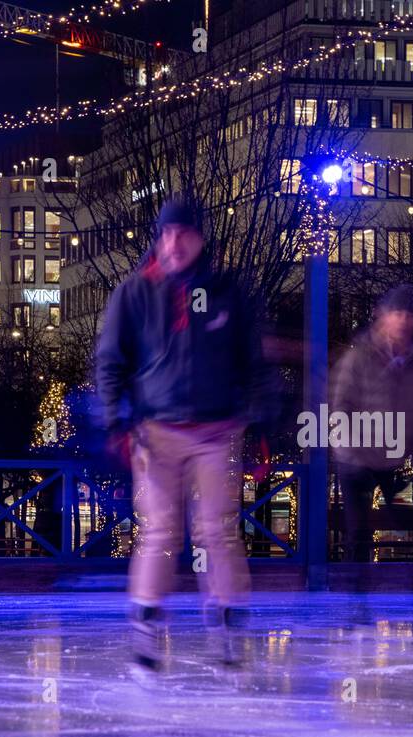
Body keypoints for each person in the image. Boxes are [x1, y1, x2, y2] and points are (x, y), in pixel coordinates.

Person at [94, 198, 273, 670]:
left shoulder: (228, 291)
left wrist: (254, 421)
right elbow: (110, 361)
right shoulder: (134, 294)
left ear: (200, 239)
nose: (173, 243)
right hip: (156, 430)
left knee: (217, 528)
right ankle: (146, 627)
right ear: (158, 238)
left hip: (217, 429)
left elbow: (252, 363)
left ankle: (227, 624)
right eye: (166, 233)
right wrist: (117, 420)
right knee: (159, 530)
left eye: (184, 234)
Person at [330, 284, 413, 568]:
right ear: (383, 316)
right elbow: (341, 403)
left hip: (392, 457)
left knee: (397, 519)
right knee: (358, 531)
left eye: (410, 314)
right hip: (357, 456)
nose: (404, 320)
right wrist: (349, 447)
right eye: (398, 313)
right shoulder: (360, 357)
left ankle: (402, 584)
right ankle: (355, 589)